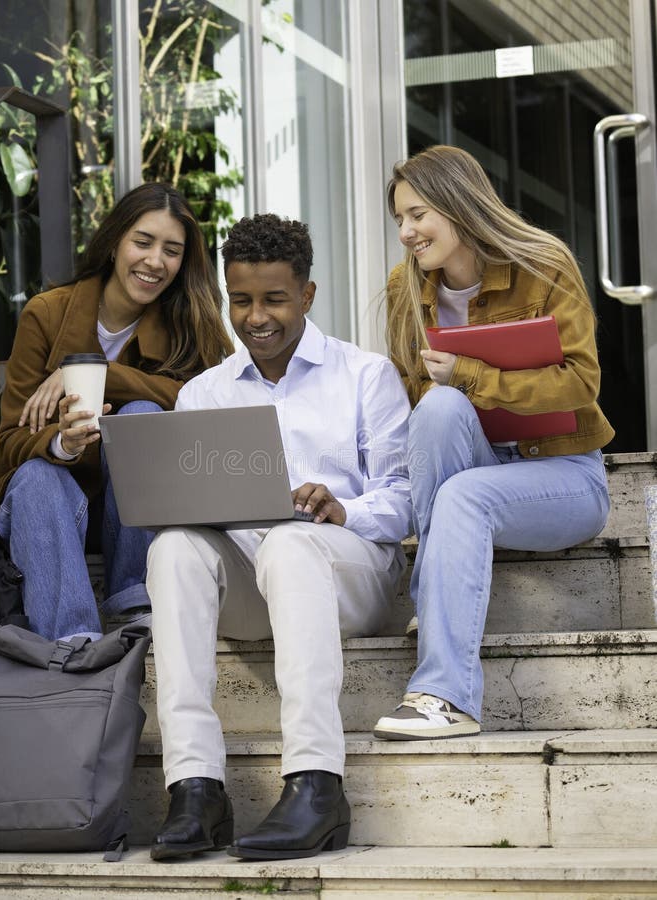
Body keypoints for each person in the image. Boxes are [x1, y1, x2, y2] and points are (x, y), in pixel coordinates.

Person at [146, 213, 412, 861]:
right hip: (254, 584)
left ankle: (317, 785)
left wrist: (342, 509)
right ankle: (195, 788)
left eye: (274, 299)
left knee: (291, 543)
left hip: (350, 577)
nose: (256, 317)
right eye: (241, 300)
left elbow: (406, 501)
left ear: (307, 295)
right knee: (172, 547)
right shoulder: (203, 394)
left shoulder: (365, 375)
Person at [372, 145, 614, 741]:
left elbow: (581, 382)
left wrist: (471, 374)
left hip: (563, 472)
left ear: (458, 205)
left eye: (418, 215)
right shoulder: (406, 285)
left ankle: (445, 697)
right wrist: (450, 387)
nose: (406, 232)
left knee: (464, 491)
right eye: (399, 218)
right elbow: (412, 394)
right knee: (437, 408)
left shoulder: (542, 263)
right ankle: (437, 600)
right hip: (473, 461)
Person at [0, 182, 233, 642]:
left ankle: (135, 601)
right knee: (38, 476)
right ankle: (75, 644)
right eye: (143, 242)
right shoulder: (46, 315)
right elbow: (9, 442)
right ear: (114, 243)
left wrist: (102, 373)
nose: (155, 261)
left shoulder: (188, 321)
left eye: (171, 251)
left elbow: (208, 404)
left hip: (136, 518)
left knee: (142, 414)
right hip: (48, 511)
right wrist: (61, 444)